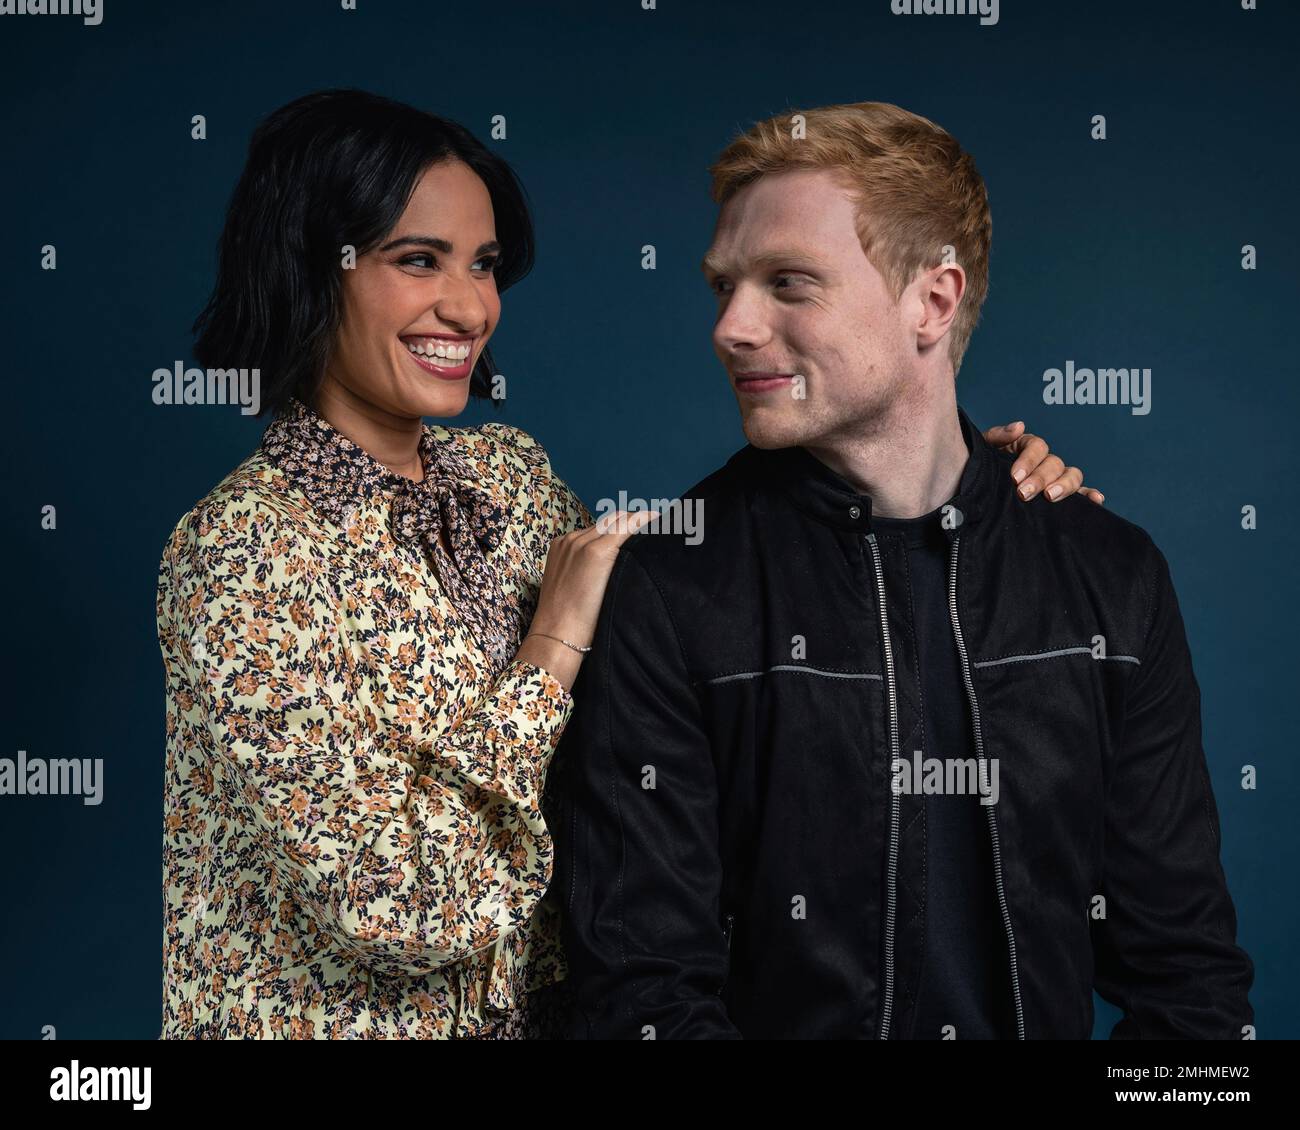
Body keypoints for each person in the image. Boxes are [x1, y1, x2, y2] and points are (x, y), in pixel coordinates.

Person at [156, 89, 1095, 1040]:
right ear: (315, 268)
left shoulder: (509, 479)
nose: (469, 304)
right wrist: (551, 649)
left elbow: (653, 737)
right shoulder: (241, 551)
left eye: (483, 265)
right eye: (417, 261)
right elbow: (400, 909)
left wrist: (973, 491)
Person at [555, 101, 1254, 1040]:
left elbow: (1190, 985)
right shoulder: (673, 585)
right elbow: (642, 994)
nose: (731, 326)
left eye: (787, 283)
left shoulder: (1108, 574)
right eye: (724, 286)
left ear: (932, 300)